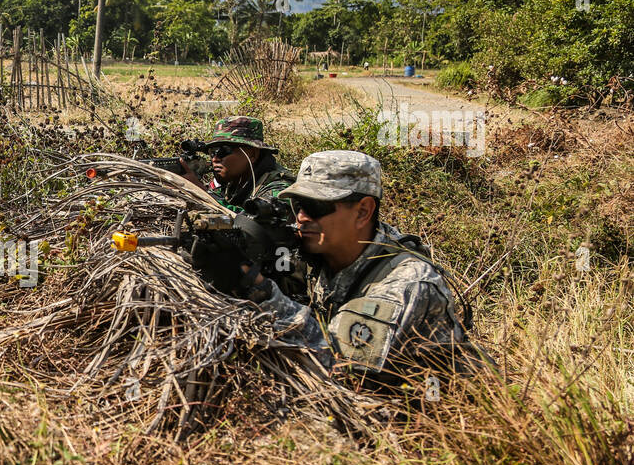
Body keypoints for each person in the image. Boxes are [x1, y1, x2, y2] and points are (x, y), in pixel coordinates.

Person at [186, 150, 473, 390]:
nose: (301, 217)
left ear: (363, 211)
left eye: (315, 206)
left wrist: (257, 287)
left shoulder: (405, 282)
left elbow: (341, 371)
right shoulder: (320, 252)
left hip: (433, 419)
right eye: (297, 204)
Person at [178, 116, 306, 300]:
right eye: (212, 152)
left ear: (252, 154)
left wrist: (201, 194)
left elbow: (252, 227)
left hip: (284, 283)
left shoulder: (279, 187)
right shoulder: (235, 181)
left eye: (223, 151)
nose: (215, 158)